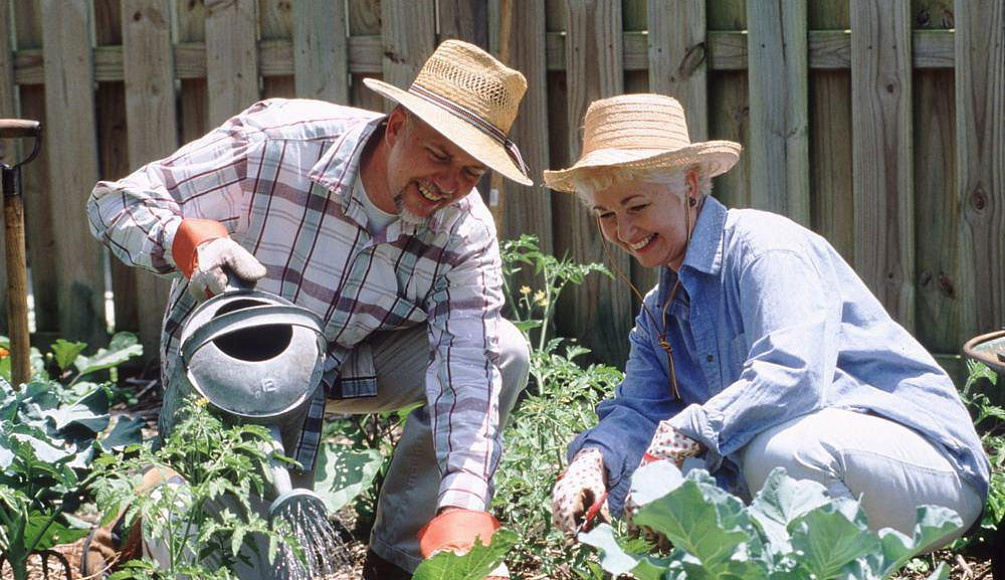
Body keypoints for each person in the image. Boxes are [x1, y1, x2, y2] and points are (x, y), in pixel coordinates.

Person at [85, 39, 530, 579]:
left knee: (501, 351)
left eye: (471, 172)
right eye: (439, 156)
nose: (449, 185)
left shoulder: (464, 231)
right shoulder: (278, 143)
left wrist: (462, 503)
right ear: (396, 126)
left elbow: (471, 372)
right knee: (247, 562)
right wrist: (186, 241)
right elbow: (115, 201)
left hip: (344, 366)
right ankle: (143, 515)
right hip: (230, 377)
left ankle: (400, 561)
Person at [547, 93, 989, 547]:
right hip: (839, 471)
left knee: (779, 455)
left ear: (691, 186)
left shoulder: (765, 249)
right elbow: (640, 409)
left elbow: (794, 377)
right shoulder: (660, 312)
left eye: (636, 206)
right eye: (605, 214)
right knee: (681, 490)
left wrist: (686, 432)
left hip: (932, 471)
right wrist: (593, 461)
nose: (623, 230)